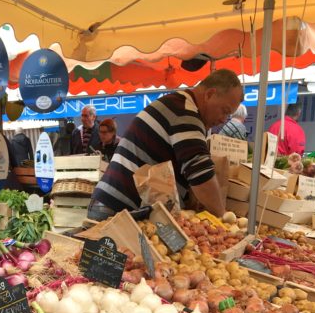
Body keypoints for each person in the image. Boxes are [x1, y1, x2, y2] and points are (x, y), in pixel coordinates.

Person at [89, 69, 243, 221]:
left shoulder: (180, 104)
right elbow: (201, 176)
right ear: (209, 94)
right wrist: (223, 216)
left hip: (114, 205)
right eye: (224, 111)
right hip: (117, 209)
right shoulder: (185, 114)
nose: (224, 119)